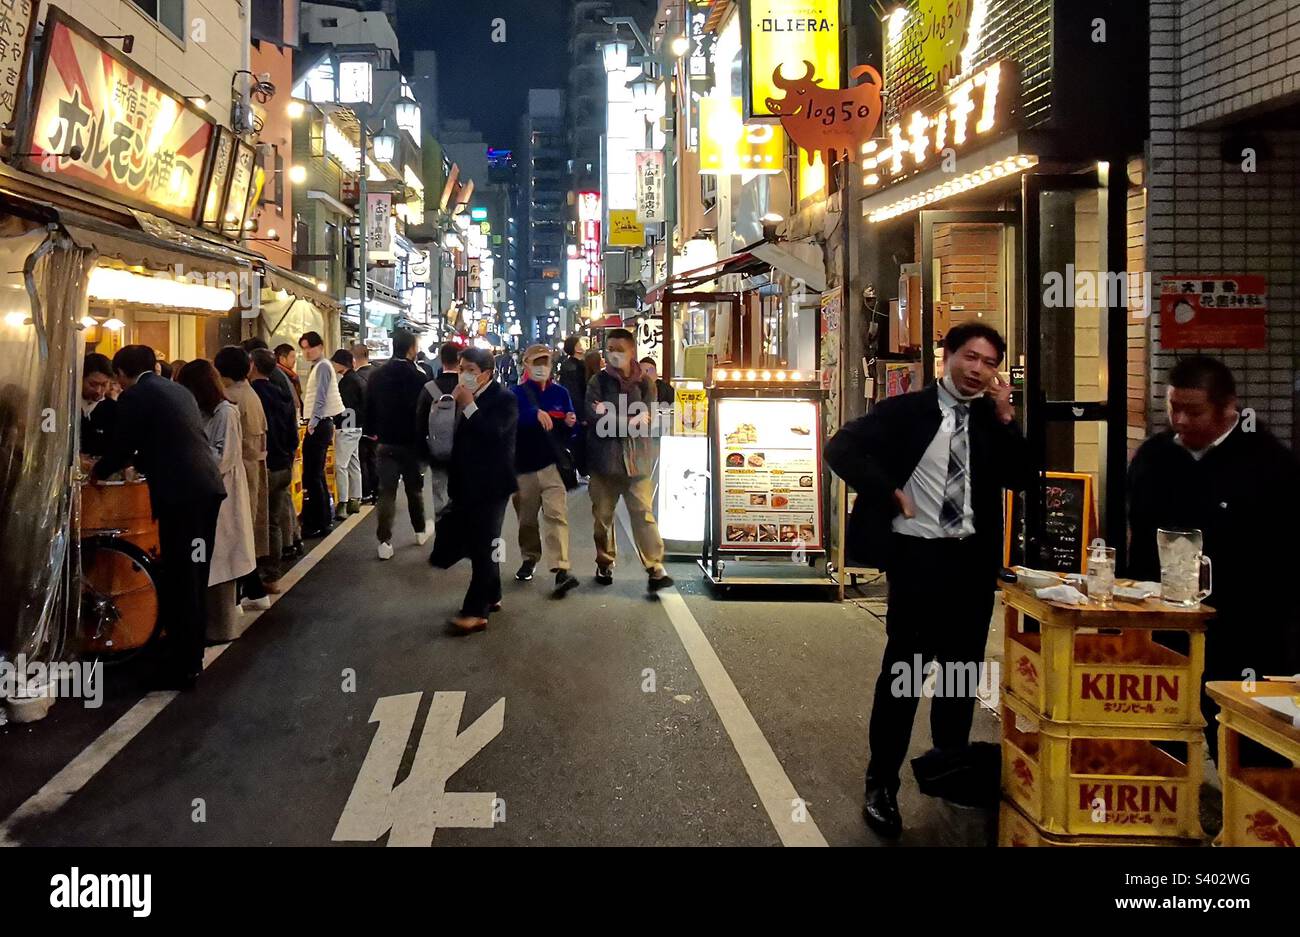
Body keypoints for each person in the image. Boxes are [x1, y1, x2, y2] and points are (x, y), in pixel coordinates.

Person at [825, 322, 1031, 839]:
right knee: (905, 675)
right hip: (918, 561)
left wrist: (1007, 417)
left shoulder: (990, 420)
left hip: (971, 565)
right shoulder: (905, 411)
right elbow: (840, 448)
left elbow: (1024, 476)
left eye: (988, 362)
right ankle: (882, 783)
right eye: (970, 357)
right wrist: (888, 490)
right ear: (947, 356)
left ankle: (948, 770)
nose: (978, 369)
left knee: (961, 674)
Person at [1127, 356, 1300, 762]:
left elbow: (1288, 554)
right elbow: (1139, 539)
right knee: (1162, 732)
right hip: (1166, 624)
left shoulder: (1268, 462)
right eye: (1174, 408)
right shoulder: (1154, 457)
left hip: (1245, 628)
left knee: (1247, 743)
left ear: (1228, 409)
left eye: (1194, 411)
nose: (1181, 420)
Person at [92, 346, 225, 690]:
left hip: (181, 496)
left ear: (121, 373)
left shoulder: (135, 396)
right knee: (194, 574)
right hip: (206, 490)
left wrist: (98, 471)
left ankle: (182, 667)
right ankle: (190, 656)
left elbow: (121, 447)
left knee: (182, 576)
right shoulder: (176, 390)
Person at [584, 328, 673, 591]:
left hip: (637, 461)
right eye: (609, 349)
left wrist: (611, 416)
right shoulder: (597, 382)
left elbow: (647, 421)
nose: (613, 355)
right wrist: (627, 421)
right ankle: (605, 561)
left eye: (619, 350)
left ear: (632, 351)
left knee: (643, 515)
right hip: (604, 462)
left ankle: (655, 567)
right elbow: (593, 415)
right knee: (602, 517)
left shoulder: (646, 383)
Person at [177, 360, 258, 643]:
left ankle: (222, 629)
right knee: (211, 561)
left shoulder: (226, 412)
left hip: (222, 495)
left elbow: (223, 458)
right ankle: (208, 627)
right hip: (207, 494)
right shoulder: (199, 412)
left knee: (222, 560)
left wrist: (191, 454)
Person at [440, 347, 519, 634]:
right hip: (468, 483)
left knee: (484, 546)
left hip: (493, 484)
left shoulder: (504, 399)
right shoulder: (463, 397)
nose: (464, 374)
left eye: (471, 370)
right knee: (481, 544)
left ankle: (476, 611)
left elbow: (493, 434)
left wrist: (470, 405)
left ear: (486, 373)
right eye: (462, 368)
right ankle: (493, 594)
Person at [511, 344, 580, 596]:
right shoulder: (516, 393)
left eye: (546, 362)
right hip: (524, 468)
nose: (542, 367)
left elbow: (570, 431)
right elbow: (511, 420)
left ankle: (561, 569)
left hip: (552, 466)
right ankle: (530, 558)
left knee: (556, 516)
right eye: (536, 362)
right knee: (526, 521)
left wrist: (571, 424)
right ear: (526, 365)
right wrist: (534, 414)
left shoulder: (560, 393)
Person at [365, 329, 433, 560]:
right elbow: (426, 411)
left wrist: (372, 433)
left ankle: (384, 542)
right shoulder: (419, 377)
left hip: (385, 442)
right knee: (414, 489)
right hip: (412, 442)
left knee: (387, 492)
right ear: (411, 349)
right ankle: (420, 530)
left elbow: (369, 407)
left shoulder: (376, 375)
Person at [213, 346, 272, 609]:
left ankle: (240, 595)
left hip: (239, 472)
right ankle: (254, 589)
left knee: (235, 532)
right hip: (254, 468)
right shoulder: (251, 394)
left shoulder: (229, 400)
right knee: (246, 531)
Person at [250, 349, 297, 590]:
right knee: (273, 523)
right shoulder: (282, 394)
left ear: (253, 366)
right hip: (283, 464)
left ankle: (256, 579)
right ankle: (273, 576)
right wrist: (289, 456)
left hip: (265, 466)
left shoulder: (251, 395)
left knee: (257, 523)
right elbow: (292, 433)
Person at [298, 331, 344, 537]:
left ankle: (320, 521)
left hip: (320, 424)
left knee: (313, 474)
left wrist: (313, 421)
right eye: (304, 348)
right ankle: (324, 519)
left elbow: (321, 396)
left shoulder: (323, 367)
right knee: (316, 475)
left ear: (321, 346)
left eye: (310, 347)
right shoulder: (320, 366)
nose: (307, 352)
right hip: (322, 424)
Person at [413, 342, 464, 523]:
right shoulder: (468, 388)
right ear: (461, 360)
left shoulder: (430, 388)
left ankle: (443, 535)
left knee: (439, 491)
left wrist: (423, 454)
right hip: (464, 452)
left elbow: (420, 424)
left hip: (438, 451)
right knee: (463, 493)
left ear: (441, 360)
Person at [330, 348, 366, 518]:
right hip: (357, 427)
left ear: (341, 363)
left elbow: (346, 408)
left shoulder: (347, 383)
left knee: (341, 465)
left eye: (335, 362)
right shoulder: (357, 379)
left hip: (347, 427)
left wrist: (339, 423)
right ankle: (355, 499)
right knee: (353, 462)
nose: (333, 365)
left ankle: (342, 503)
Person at [351, 343, 378, 503]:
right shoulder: (378, 374)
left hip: (362, 425)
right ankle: (377, 489)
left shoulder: (356, 378)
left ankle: (366, 491)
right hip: (378, 425)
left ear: (354, 359)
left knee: (362, 459)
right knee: (374, 458)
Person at [559, 336, 588, 476]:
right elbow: (574, 392)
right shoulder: (572, 367)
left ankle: (581, 469)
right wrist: (580, 414)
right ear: (575, 347)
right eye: (579, 344)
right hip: (577, 410)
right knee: (578, 441)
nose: (581, 345)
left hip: (578, 409)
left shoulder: (576, 364)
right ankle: (580, 470)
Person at [79, 353, 118, 457]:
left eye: (104, 385)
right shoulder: (69, 406)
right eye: (92, 384)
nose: (98, 391)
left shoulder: (114, 409)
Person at [274, 343, 303, 412]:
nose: (295, 360)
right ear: (282, 359)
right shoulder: (279, 375)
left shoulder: (290, 374)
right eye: (292, 357)